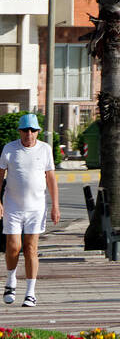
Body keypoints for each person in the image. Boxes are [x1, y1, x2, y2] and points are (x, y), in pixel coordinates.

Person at [0, 115, 60, 309]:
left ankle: (30, 293)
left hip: (36, 207)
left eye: (32, 130)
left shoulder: (45, 149)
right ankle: (10, 282)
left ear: (37, 132)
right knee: (14, 247)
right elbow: (0, 178)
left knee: (31, 248)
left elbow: (50, 179)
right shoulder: (9, 149)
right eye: (25, 130)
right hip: (13, 206)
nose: (29, 134)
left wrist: (55, 206)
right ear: (20, 131)